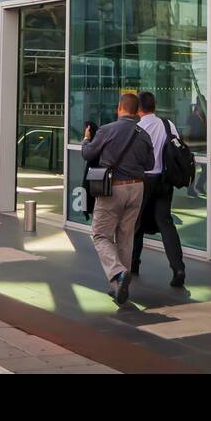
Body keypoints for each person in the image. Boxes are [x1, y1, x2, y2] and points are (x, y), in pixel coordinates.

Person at [81, 93, 153, 304]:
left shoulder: (107, 130)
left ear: (120, 107)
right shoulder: (144, 134)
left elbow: (87, 154)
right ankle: (118, 287)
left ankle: (118, 273)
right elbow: (149, 164)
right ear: (136, 110)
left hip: (113, 189)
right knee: (126, 236)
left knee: (100, 235)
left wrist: (86, 138)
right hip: (137, 188)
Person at [132, 91, 187, 287]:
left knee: (136, 223)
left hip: (144, 180)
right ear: (154, 106)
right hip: (165, 180)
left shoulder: (137, 127)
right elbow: (177, 145)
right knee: (165, 223)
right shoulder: (167, 124)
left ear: (138, 108)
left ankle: (133, 264)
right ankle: (178, 268)